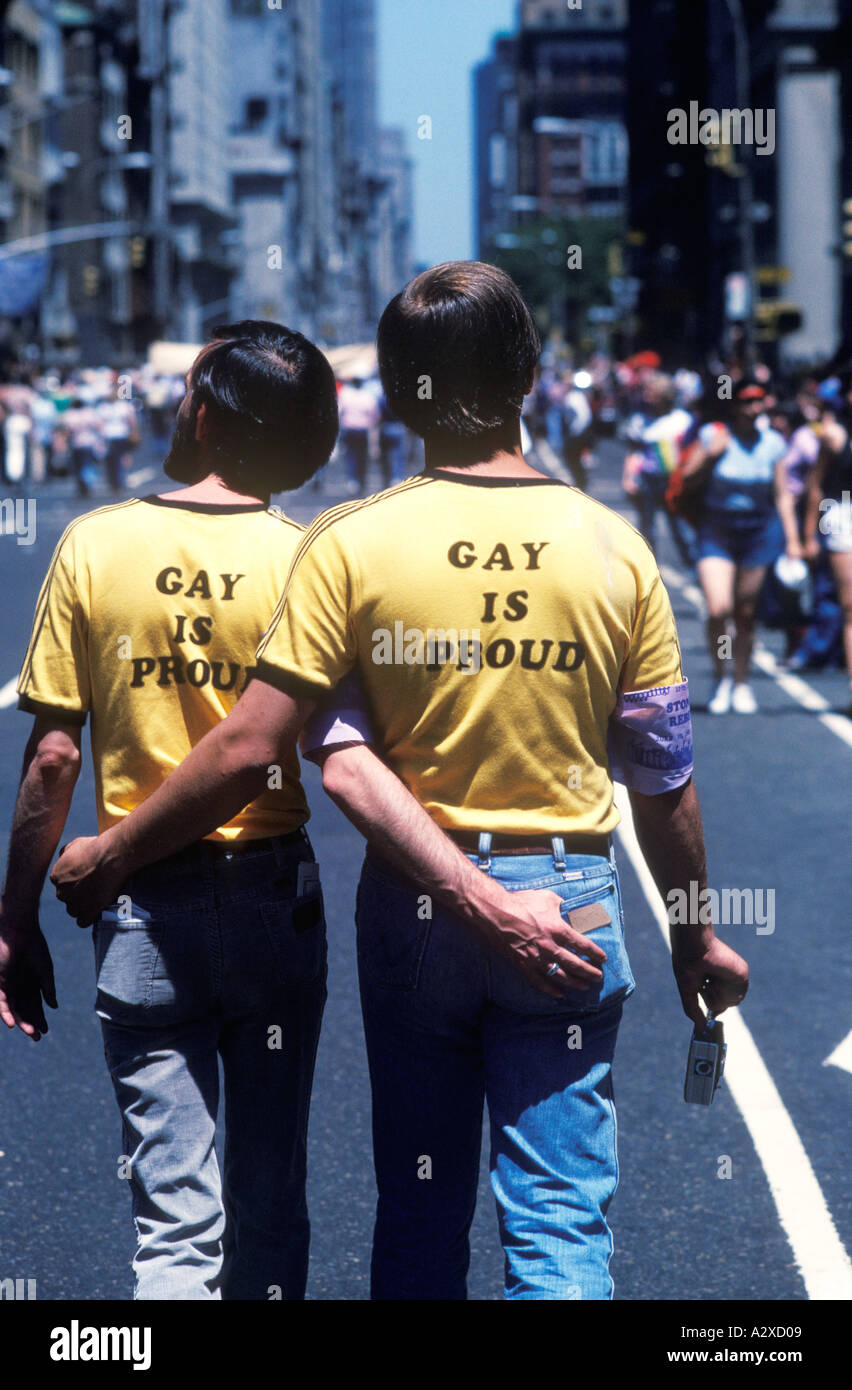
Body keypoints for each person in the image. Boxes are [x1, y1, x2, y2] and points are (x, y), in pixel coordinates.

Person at [49, 263, 749, 1302]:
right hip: (572, 910)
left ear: (400, 386)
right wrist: (694, 933)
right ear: (529, 373)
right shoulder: (616, 549)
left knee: (420, 1212)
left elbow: (303, 753)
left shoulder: (351, 544)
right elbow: (662, 778)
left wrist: (109, 851)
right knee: (559, 1228)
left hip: (420, 906)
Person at [0, 321, 343, 1300]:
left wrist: (14, 917)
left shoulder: (96, 543)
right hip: (277, 898)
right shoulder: (308, 557)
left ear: (200, 412)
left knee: (175, 1230)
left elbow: (54, 756)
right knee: (269, 1203)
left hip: (145, 905)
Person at [681, 379, 791, 715]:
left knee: (745, 613)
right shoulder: (713, 435)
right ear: (734, 405)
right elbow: (686, 479)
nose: (754, 408)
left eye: (760, 401)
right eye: (747, 401)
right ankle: (720, 676)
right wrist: (711, 456)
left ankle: (741, 680)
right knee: (719, 608)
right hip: (717, 530)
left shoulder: (772, 443)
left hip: (758, 532)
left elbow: (783, 495)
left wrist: (796, 541)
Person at [806, 380, 852, 716]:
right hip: (844, 511)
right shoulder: (834, 434)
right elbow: (816, 484)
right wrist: (808, 534)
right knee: (851, 604)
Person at [622, 372, 697, 567]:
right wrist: (628, 477)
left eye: (652, 393)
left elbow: (691, 451)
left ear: (665, 396)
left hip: (674, 481)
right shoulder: (640, 421)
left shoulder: (682, 420)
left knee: (680, 527)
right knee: (648, 527)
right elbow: (634, 452)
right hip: (648, 480)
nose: (647, 397)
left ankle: (693, 566)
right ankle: (650, 568)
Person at [337, 376, 380, 494]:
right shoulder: (367, 397)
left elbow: (340, 411)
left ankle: (352, 479)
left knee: (351, 455)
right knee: (362, 457)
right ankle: (361, 479)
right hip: (363, 430)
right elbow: (374, 414)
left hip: (349, 429)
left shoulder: (346, 396)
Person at [98, 384, 140, 492]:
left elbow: (131, 420)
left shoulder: (123, 406)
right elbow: (100, 423)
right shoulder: (105, 407)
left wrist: (134, 432)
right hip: (110, 437)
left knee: (121, 459)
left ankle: (120, 480)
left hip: (121, 436)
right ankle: (115, 482)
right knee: (111, 461)